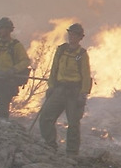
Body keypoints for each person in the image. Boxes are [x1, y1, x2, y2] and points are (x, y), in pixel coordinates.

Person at [38, 23, 92, 155]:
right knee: (45, 117)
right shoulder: (61, 50)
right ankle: (50, 145)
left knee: (73, 124)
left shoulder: (81, 54)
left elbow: (86, 75)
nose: (72, 37)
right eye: (71, 33)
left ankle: (72, 153)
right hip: (59, 89)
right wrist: (51, 86)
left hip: (74, 92)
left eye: (75, 35)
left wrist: (83, 93)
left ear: (80, 38)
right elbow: (54, 69)